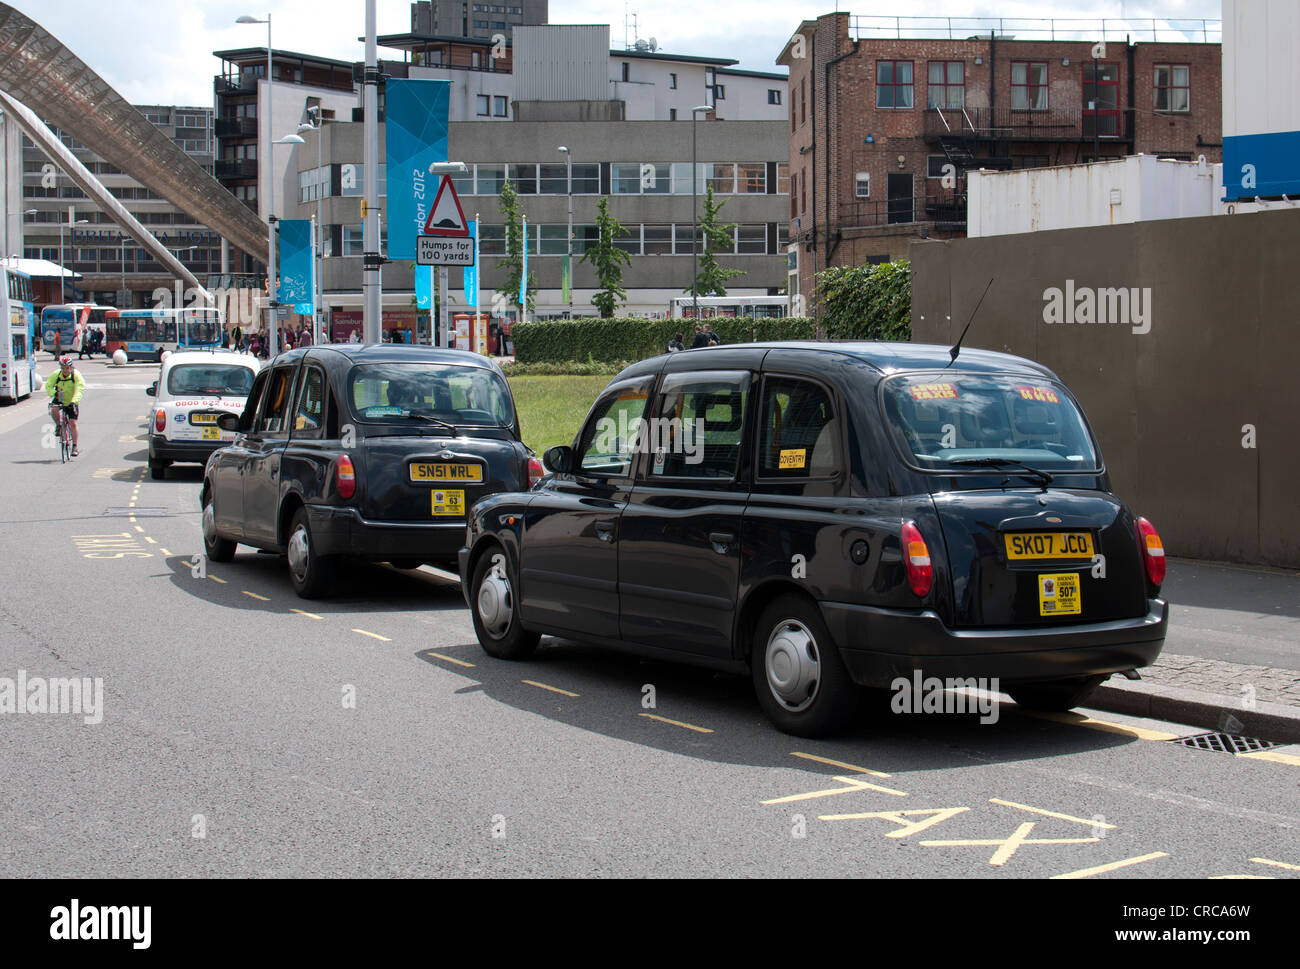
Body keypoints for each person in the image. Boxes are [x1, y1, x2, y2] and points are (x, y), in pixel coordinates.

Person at [46, 355, 85, 457]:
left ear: (71, 367)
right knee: (54, 409)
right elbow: (48, 385)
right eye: (63, 368)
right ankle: (59, 426)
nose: (65, 371)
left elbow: (79, 389)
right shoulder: (56, 374)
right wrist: (54, 393)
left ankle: (75, 446)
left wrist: (74, 401)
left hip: (72, 400)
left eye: (67, 368)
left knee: (73, 423)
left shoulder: (76, 375)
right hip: (60, 397)